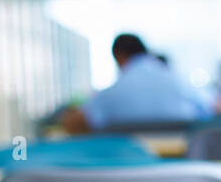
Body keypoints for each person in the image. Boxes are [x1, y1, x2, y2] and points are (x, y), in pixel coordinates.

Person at [60, 33, 215, 133]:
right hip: (185, 172)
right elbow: (215, 106)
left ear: (118, 57)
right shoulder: (179, 80)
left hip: (125, 173)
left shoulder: (113, 92)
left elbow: (72, 122)